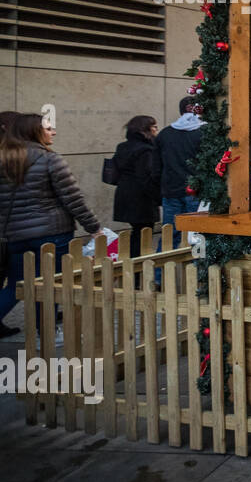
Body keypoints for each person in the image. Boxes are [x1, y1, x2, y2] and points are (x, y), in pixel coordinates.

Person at [0, 114, 103, 335]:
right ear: (33, 131)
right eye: (47, 129)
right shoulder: (50, 159)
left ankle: (45, 331)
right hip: (53, 233)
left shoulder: (4, 159)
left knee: (17, 285)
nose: (53, 132)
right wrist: (94, 228)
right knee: (51, 283)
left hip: (15, 236)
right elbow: (73, 199)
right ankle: (45, 332)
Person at [111, 115, 161, 259]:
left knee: (137, 232)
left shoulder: (122, 147)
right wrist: (159, 199)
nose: (157, 130)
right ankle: (137, 270)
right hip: (141, 199)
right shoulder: (146, 150)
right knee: (143, 234)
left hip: (124, 195)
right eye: (154, 127)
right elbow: (146, 178)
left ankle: (132, 265)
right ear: (146, 130)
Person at [156, 97, 204, 229]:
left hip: (171, 189)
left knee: (170, 234)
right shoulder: (204, 132)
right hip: (196, 190)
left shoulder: (165, 133)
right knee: (197, 233)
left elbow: (156, 165)